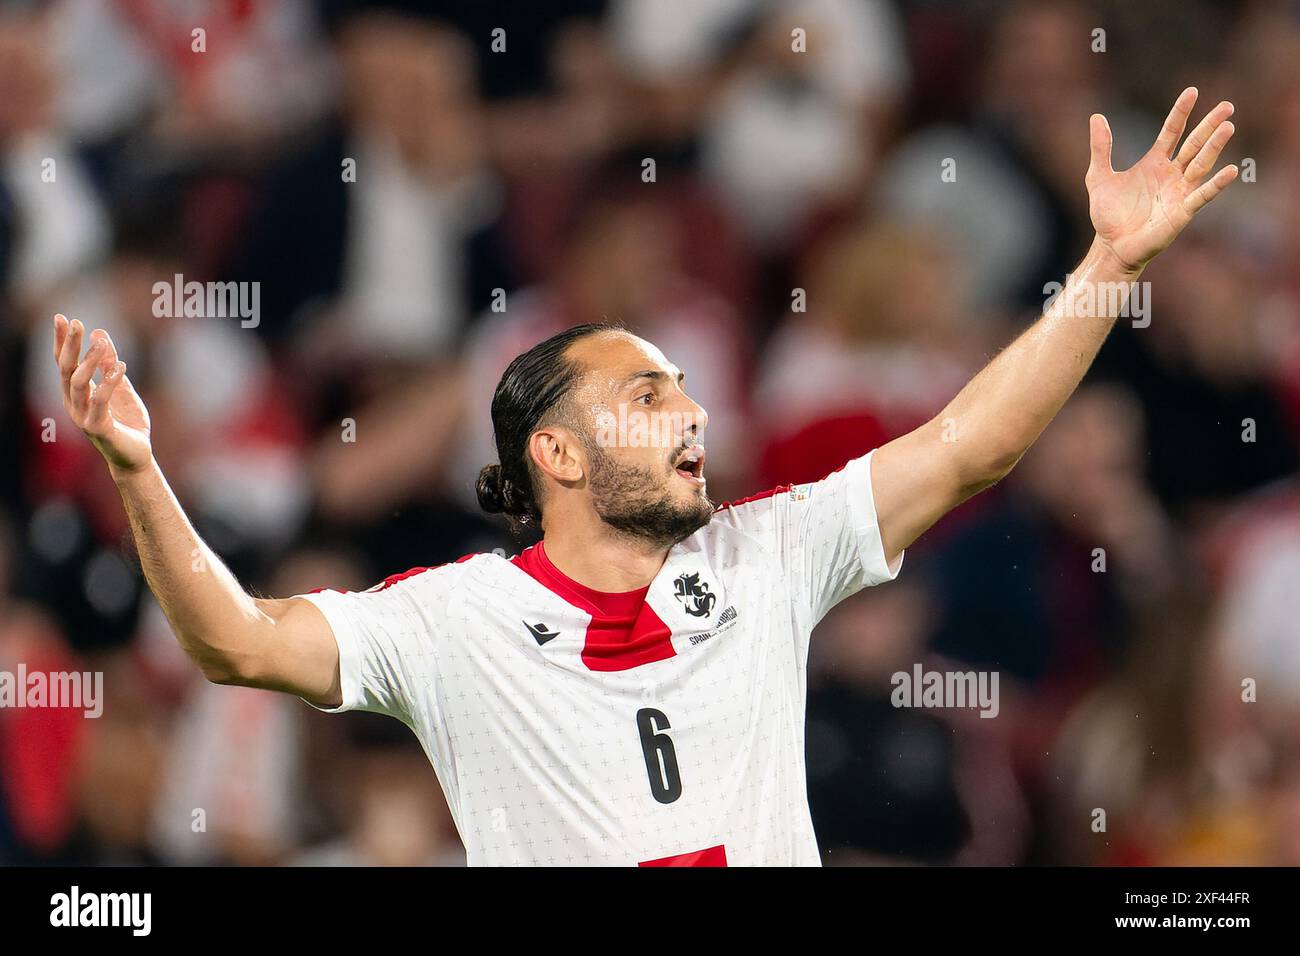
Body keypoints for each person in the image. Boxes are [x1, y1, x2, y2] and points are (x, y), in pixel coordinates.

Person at [51, 90, 1238, 865]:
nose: (693, 414)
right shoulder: (454, 619)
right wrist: (142, 470)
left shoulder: (766, 552)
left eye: (684, 385)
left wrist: (1107, 265)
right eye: (646, 395)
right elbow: (239, 643)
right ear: (555, 455)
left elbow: (972, 442)